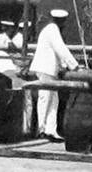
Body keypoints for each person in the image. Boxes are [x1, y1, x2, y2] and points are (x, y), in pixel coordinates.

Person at [30, 9, 80, 142]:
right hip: (45, 68)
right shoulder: (52, 30)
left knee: (53, 99)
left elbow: (57, 52)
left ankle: (50, 130)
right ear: (60, 21)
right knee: (45, 98)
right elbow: (60, 49)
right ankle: (41, 129)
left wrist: (64, 65)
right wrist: (74, 66)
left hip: (49, 68)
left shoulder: (51, 29)